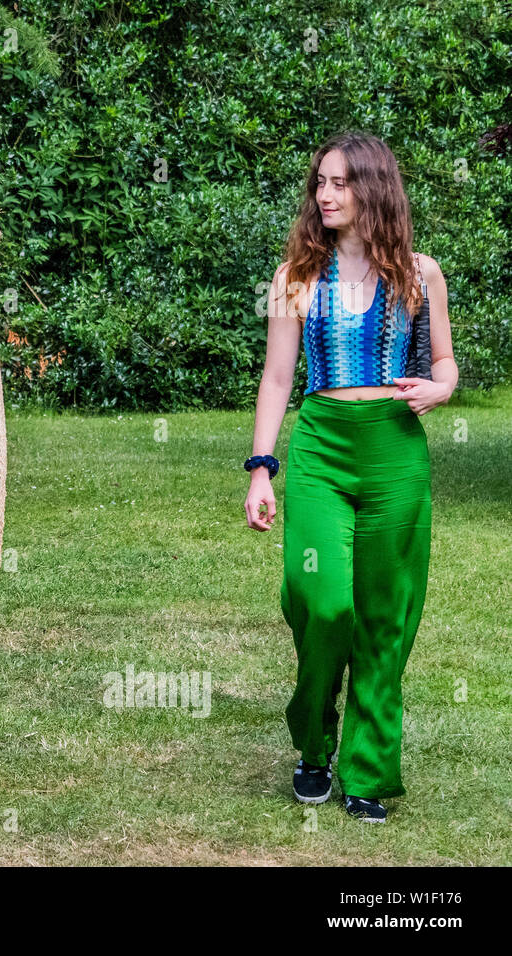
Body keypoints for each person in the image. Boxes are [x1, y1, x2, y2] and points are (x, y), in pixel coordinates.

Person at [244, 131, 458, 822]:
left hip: (396, 453)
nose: (325, 195)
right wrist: (261, 470)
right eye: (320, 184)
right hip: (322, 450)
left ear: (374, 189)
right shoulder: (295, 278)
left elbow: (447, 364)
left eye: (340, 183)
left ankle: (366, 770)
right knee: (323, 599)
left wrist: (440, 390)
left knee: (383, 617)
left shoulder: (421, 274)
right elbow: (279, 378)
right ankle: (314, 740)